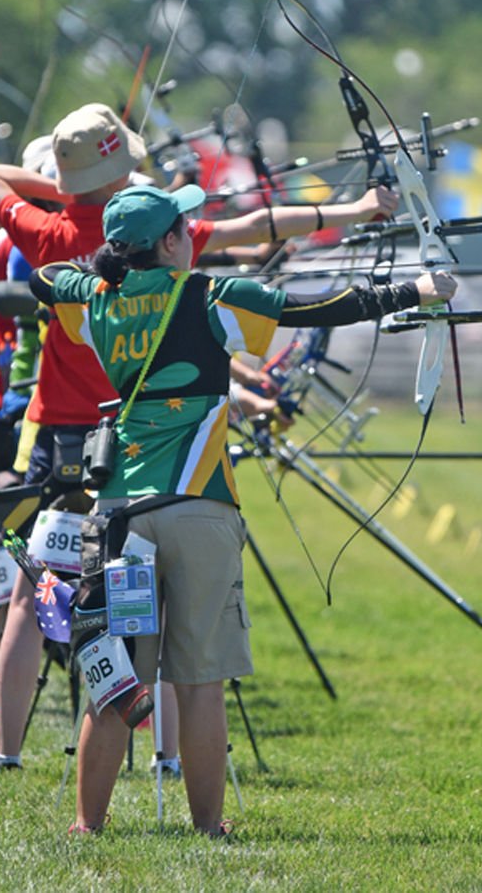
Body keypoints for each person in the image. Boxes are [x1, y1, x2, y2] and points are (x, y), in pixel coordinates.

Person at [0, 102, 400, 774]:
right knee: (165, 598)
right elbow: (257, 225)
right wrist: (361, 209)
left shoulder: (49, 232)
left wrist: (75, 191)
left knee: (37, 590)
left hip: (62, 433)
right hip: (136, 439)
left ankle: (9, 751)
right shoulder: (163, 235)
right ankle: (167, 756)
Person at [29, 183, 456, 837]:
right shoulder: (208, 296)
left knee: (116, 677)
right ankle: (207, 827)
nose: (193, 233)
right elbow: (318, 310)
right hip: (200, 508)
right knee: (200, 681)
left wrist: (99, 272)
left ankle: (88, 825)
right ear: (171, 242)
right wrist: (416, 291)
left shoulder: (97, 304)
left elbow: (46, 279)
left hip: (118, 516)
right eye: (185, 227)